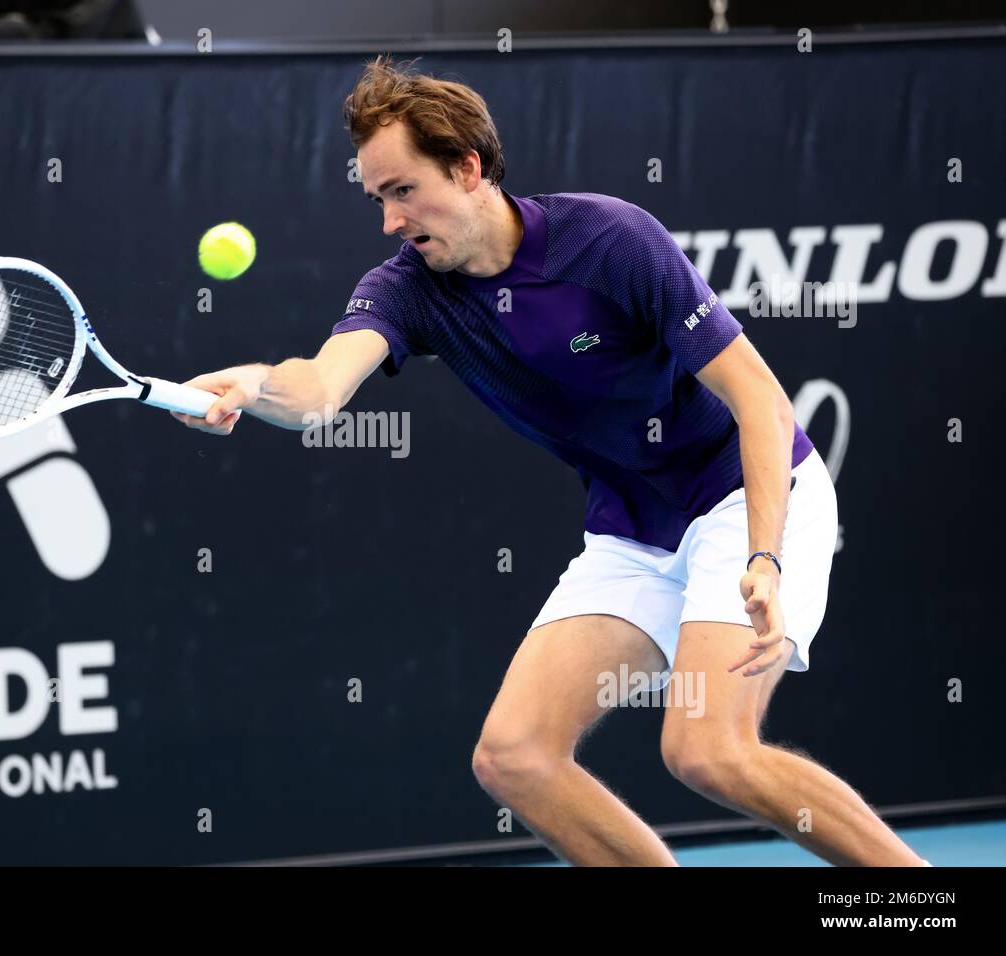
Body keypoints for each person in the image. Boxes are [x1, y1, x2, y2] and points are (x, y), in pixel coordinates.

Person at [171, 55, 928, 866]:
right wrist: (253, 383)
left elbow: (762, 402)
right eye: (377, 198)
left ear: (467, 168)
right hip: (633, 525)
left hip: (747, 493)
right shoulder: (407, 289)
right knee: (514, 756)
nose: (390, 221)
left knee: (709, 752)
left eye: (402, 190)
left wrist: (766, 558)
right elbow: (320, 389)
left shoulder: (611, 240)